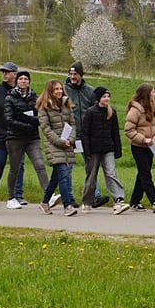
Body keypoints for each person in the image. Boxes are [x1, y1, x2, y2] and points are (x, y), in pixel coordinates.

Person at [3, 71, 51, 209]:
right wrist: (27, 123)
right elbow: (9, 119)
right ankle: (11, 197)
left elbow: (40, 117)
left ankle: (48, 195)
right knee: (15, 168)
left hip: (32, 137)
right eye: (21, 79)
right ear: (17, 81)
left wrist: (28, 119)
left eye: (26, 79)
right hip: (15, 137)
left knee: (40, 164)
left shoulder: (35, 97)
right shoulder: (10, 98)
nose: (23, 81)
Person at [80, 86, 129, 213]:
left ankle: (119, 199)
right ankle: (87, 201)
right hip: (93, 150)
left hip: (108, 149)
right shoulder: (90, 112)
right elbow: (84, 133)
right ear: (98, 98)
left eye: (108, 96)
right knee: (91, 177)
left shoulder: (112, 112)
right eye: (104, 97)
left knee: (111, 174)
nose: (106, 99)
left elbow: (115, 132)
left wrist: (117, 149)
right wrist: (87, 151)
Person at [37, 78, 80, 216]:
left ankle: (45, 202)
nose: (59, 91)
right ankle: (67, 205)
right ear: (50, 91)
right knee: (63, 174)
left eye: (60, 88)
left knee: (57, 176)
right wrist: (60, 142)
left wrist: (71, 139)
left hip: (67, 143)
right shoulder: (44, 107)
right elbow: (46, 129)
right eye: (56, 89)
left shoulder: (67, 105)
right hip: (54, 145)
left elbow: (73, 124)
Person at [125, 83, 155, 212]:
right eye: (152, 92)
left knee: (143, 173)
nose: (154, 94)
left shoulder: (154, 107)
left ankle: (135, 201)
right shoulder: (135, 110)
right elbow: (129, 130)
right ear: (146, 94)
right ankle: (154, 200)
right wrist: (144, 139)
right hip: (138, 146)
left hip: (152, 146)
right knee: (145, 173)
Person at [0, 62, 22, 202]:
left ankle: (17, 194)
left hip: (18, 135)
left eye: (7, 72)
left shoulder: (21, 92)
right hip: (0, 134)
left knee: (18, 165)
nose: (4, 74)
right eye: (3, 72)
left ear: (15, 74)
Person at [65, 61, 99, 203]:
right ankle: (69, 196)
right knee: (68, 166)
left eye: (75, 74)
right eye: (70, 74)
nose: (73, 77)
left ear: (81, 75)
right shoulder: (63, 90)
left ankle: (94, 195)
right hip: (69, 133)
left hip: (86, 134)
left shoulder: (90, 91)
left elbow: (95, 110)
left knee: (91, 166)